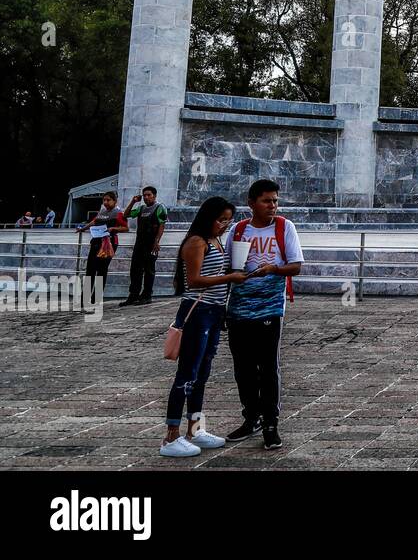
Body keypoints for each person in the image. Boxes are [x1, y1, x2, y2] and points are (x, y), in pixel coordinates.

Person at [162, 196, 248, 458]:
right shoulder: (196, 242)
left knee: (202, 374)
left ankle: (195, 429)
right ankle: (171, 436)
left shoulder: (216, 242)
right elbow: (195, 280)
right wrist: (230, 276)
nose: (224, 225)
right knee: (187, 373)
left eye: (228, 220)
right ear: (208, 217)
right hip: (196, 311)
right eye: (221, 219)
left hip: (214, 312)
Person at [224, 179, 303, 451]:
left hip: (270, 306)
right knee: (243, 368)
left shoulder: (284, 227)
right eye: (266, 200)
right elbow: (227, 266)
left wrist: (273, 269)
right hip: (239, 306)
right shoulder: (238, 230)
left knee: (268, 367)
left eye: (275, 200)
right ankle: (251, 417)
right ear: (251, 203)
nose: (273, 206)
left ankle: (271, 423)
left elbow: (295, 266)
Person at [122, 187, 168, 306]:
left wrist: (157, 241)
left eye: (149, 195)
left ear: (154, 196)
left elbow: (161, 225)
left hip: (151, 243)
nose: (146, 197)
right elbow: (125, 215)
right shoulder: (141, 208)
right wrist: (133, 201)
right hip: (139, 243)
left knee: (149, 270)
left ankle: (147, 295)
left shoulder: (159, 208)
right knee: (135, 270)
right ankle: (133, 295)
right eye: (145, 195)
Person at [78, 192, 126, 305]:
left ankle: (96, 298)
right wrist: (83, 228)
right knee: (90, 269)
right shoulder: (102, 211)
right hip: (96, 242)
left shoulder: (118, 213)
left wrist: (113, 229)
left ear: (115, 201)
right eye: (104, 200)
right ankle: (84, 298)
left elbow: (125, 228)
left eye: (108, 200)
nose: (105, 202)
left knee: (101, 270)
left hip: (109, 244)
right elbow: (94, 221)